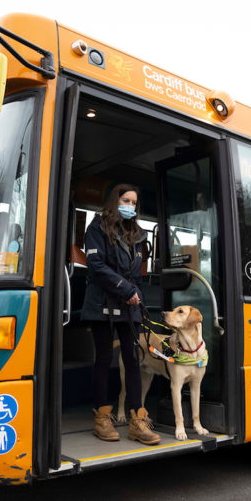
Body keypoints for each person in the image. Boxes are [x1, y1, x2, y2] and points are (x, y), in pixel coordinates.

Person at [81, 184, 160, 445]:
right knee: (104, 358)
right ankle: (102, 419)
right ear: (115, 201)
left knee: (133, 359)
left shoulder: (137, 234)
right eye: (126, 200)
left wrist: (138, 300)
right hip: (102, 302)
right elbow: (96, 265)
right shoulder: (96, 227)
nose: (130, 206)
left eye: (134, 202)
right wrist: (126, 289)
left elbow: (137, 275)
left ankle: (138, 420)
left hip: (129, 306)